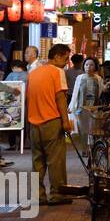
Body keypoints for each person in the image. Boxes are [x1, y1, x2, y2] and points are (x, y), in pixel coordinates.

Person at [27, 44, 74, 205]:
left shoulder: (33, 73)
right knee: (56, 161)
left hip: (34, 124)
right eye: (66, 58)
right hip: (52, 122)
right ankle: (58, 194)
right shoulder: (57, 72)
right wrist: (66, 122)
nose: (67, 62)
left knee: (37, 162)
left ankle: (38, 196)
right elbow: (60, 98)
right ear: (57, 56)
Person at [69, 58, 103, 140]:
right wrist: (71, 106)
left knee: (92, 129)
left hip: (94, 108)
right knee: (83, 129)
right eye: (86, 65)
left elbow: (100, 93)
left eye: (91, 65)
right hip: (82, 108)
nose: (88, 67)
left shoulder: (99, 79)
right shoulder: (80, 78)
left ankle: (91, 148)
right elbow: (75, 93)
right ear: (83, 66)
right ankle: (85, 149)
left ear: (95, 67)